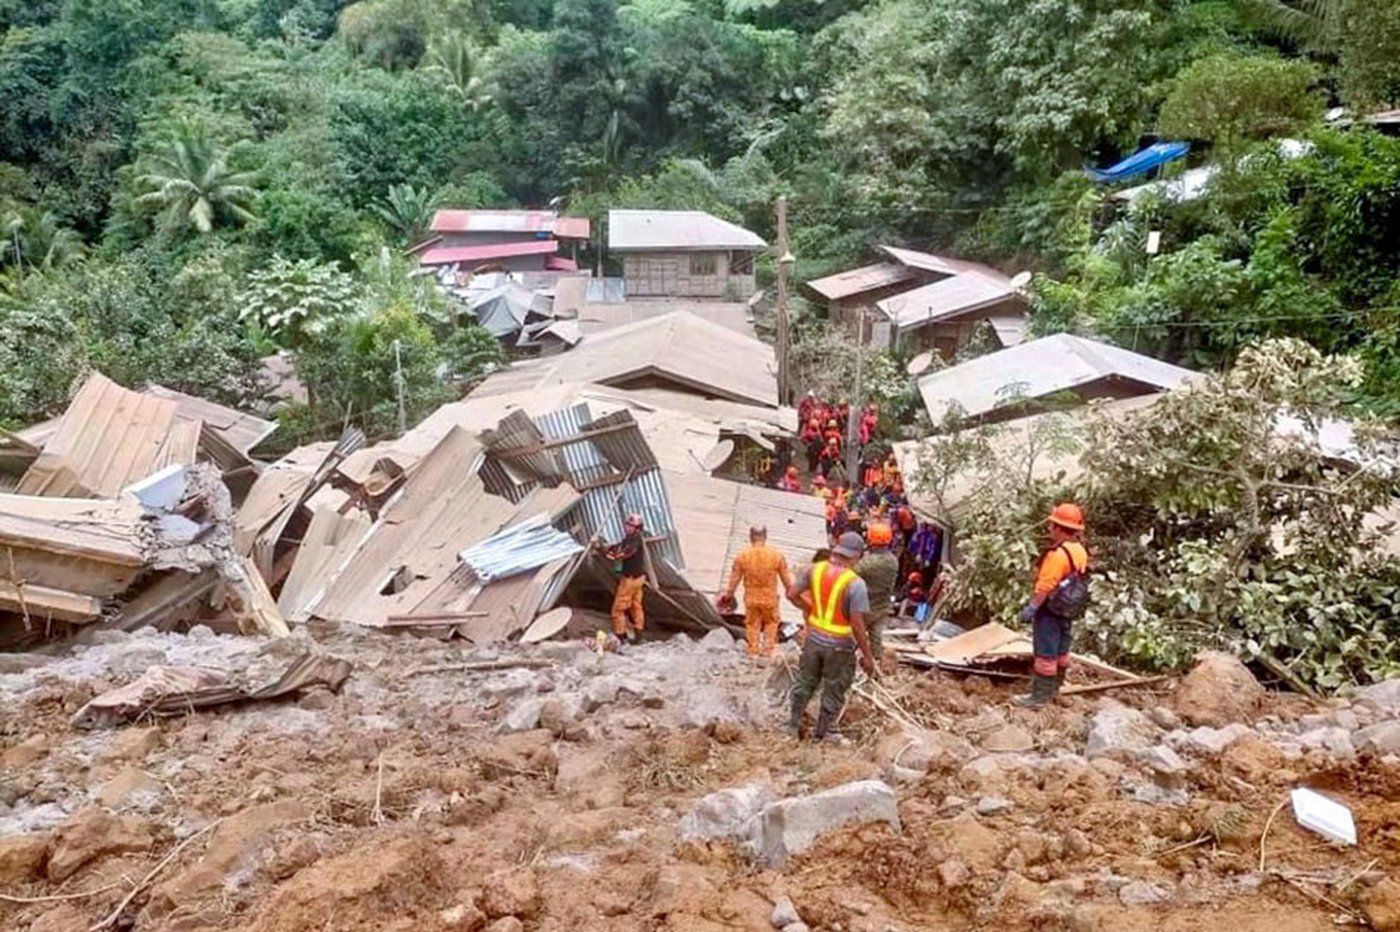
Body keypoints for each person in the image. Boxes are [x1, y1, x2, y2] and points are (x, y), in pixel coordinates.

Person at [785, 531, 878, 741]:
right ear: (855, 557)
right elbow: (857, 624)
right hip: (840, 646)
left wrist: (809, 608)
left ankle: (791, 726)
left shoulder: (814, 570)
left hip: (813, 639)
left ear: (836, 549)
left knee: (805, 682)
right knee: (834, 687)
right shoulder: (856, 584)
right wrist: (867, 656)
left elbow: (791, 594)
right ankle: (823, 733)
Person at [1014, 503, 1090, 708]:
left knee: (1046, 652)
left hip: (1051, 609)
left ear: (1058, 528)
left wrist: (1032, 608)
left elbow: (1045, 585)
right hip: (1069, 608)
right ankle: (1054, 690)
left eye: (1051, 525)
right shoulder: (1080, 550)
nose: (1049, 529)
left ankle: (1039, 698)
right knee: (1061, 650)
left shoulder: (1057, 555)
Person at [719, 525, 794, 658]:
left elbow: (734, 580)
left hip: (751, 599)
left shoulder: (742, 556)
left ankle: (753, 651)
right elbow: (787, 581)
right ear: (765, 537)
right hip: (770, 598)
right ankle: (767, 650)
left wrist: (728, 596)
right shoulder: (776, 555)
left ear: (751, 537)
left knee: (752, 624)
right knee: (771, 622)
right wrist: (792, 593)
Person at [855, 522, 899, 661]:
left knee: (852, 637)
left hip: (865, 608)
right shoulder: (893, 560)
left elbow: (850, 575)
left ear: (870, 539)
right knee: (876, 640)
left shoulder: (868, 563)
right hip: (883, 606)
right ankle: (876, 667)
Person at [603, 513, 648, 642]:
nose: (627, 527)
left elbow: (625, 553)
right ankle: (639, 634)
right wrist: (609, 548)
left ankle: (620, 636)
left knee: (618, 609)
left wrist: (611, 555)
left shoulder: (635, 541)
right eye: (627, 525)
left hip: (630, 579)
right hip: (639, 578)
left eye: (630, 525)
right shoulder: (631, 538)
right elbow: (620, 546)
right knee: (635, 605)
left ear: (637, 528)